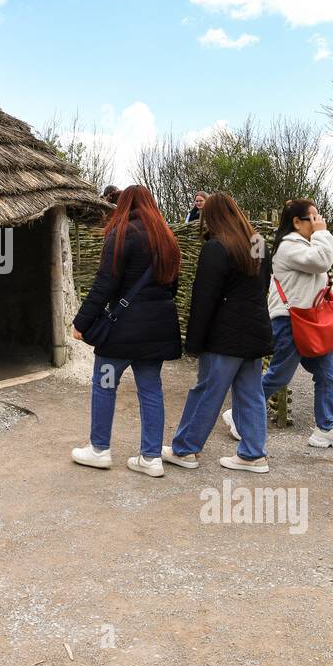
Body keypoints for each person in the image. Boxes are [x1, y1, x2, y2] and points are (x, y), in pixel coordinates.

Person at [222, 199, 333, 450]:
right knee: (278, 376)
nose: (318, 222)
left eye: (320, 218)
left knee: (328, 375)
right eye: (313, 218)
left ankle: (325, 429)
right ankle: (237, 414)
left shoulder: (307, 243)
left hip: (312, 322)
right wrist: (323, 233)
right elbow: (322, 262)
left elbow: (320, 277)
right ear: (297, 222)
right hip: (290, 320)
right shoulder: (288, 246)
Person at [70, 185, 183, 477]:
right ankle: (151, 458)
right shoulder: (167, 238)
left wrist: (81, 322)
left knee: (105, 383)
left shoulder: (121, 233)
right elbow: (173, 287)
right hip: (156, 329)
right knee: (150, 389)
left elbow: (104, 283)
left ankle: (99, 449)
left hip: (121, 331)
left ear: (124, 204)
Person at [166, 192, 273, 473]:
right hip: (255, 330)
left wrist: (194, 343)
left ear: (210, 217)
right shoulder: (258, 242)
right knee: (251, 393)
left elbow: (205, 298)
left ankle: (185, 449)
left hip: (225, 336)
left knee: (206, 392)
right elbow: (263, 285)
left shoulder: (217, 247)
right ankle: (253, 454)